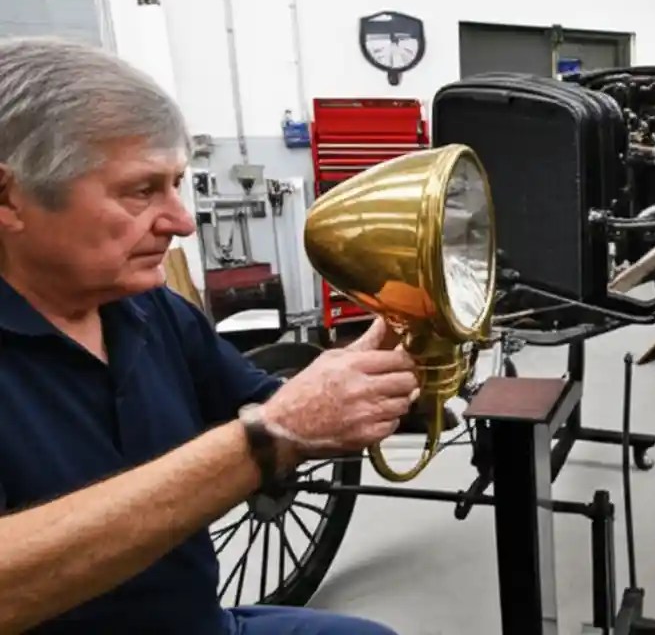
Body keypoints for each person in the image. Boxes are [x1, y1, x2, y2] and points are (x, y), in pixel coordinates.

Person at [0, 38, 416, 634]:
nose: (181, 222)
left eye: (176, 183)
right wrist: (271, 437)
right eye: (141, 191)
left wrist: (376, 372)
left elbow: (263, 403)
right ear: (9, 198)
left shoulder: (151, 311)